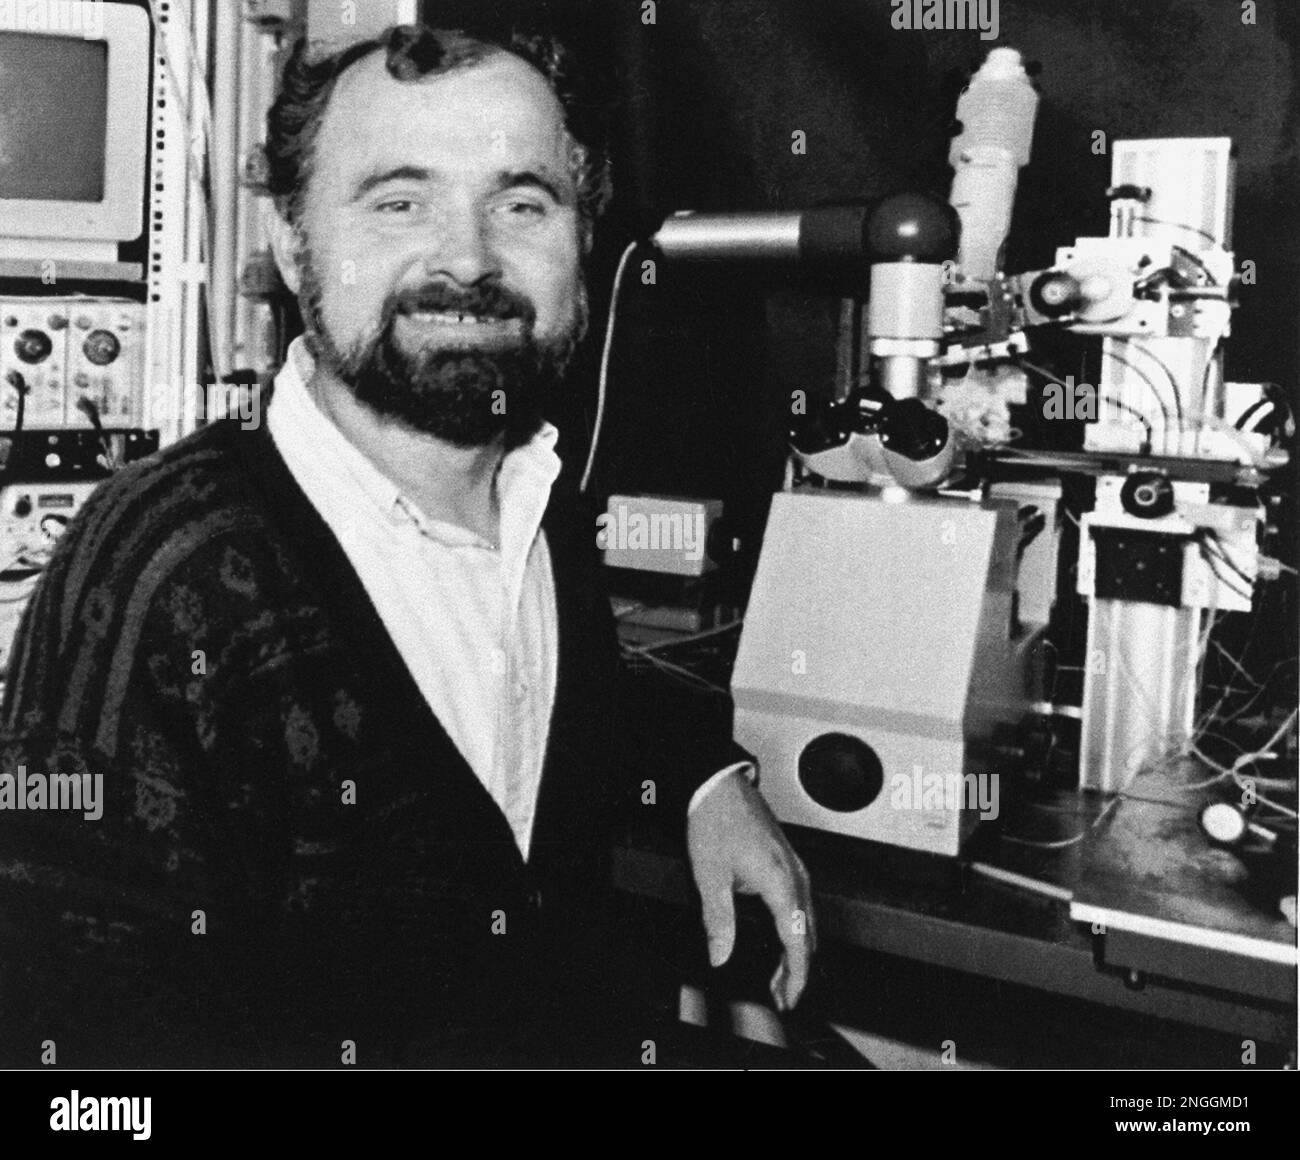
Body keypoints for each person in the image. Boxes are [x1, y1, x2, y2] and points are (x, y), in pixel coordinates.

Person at [0, 21, 813, 1068]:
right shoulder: (169, 567)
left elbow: (551, 700)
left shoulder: (532, 495)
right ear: (294, 249)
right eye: (399, 202)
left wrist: (709, 776)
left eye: (522, 203)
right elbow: (72, 1049)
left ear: (584, 244)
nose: (468, 257)